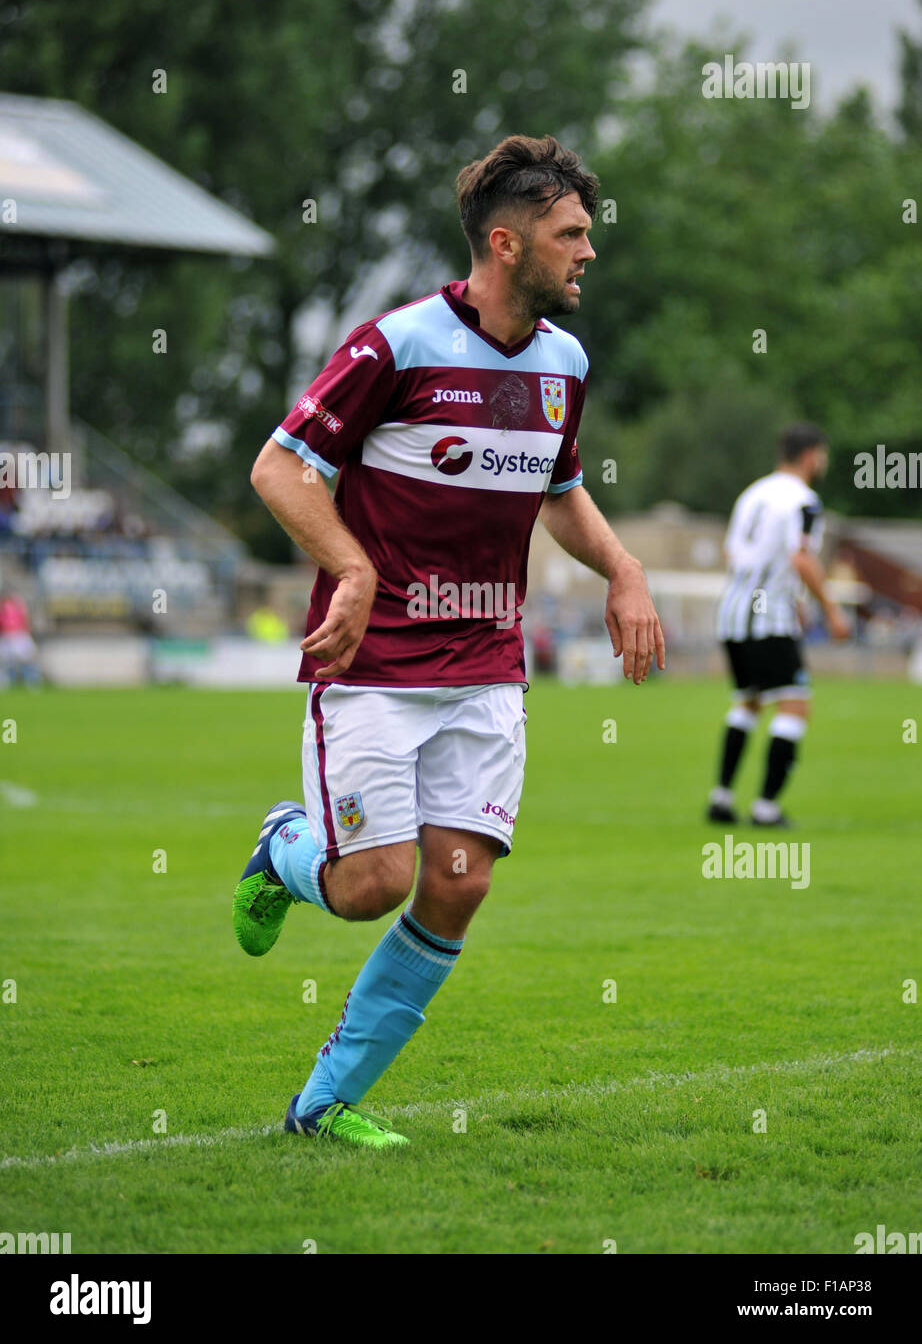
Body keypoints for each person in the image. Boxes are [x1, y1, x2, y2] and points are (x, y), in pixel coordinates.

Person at [235, 134, 665, 1147]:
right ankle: (282, 848)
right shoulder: (395, 345)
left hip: (485, 673)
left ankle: (323, 1104)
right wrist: (351, 569)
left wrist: (628, 570)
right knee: (368, 885)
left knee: (457, 886)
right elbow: (279, 469)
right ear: (506, 244)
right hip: (373, 665)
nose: (588, 253)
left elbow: (558, 494)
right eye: (571, 236)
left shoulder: (565, 363)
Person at [707, 423, 850, 827]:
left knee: (748, 702)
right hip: (768, 617)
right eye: (822, 455)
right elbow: (801, 558)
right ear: (810, 456)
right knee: (794, 704)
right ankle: (766, 808)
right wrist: (832, 610)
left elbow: (731, 552)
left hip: (733, 614)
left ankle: (721, 798)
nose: (823, 462)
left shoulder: (753, 493)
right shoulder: (804, 501)